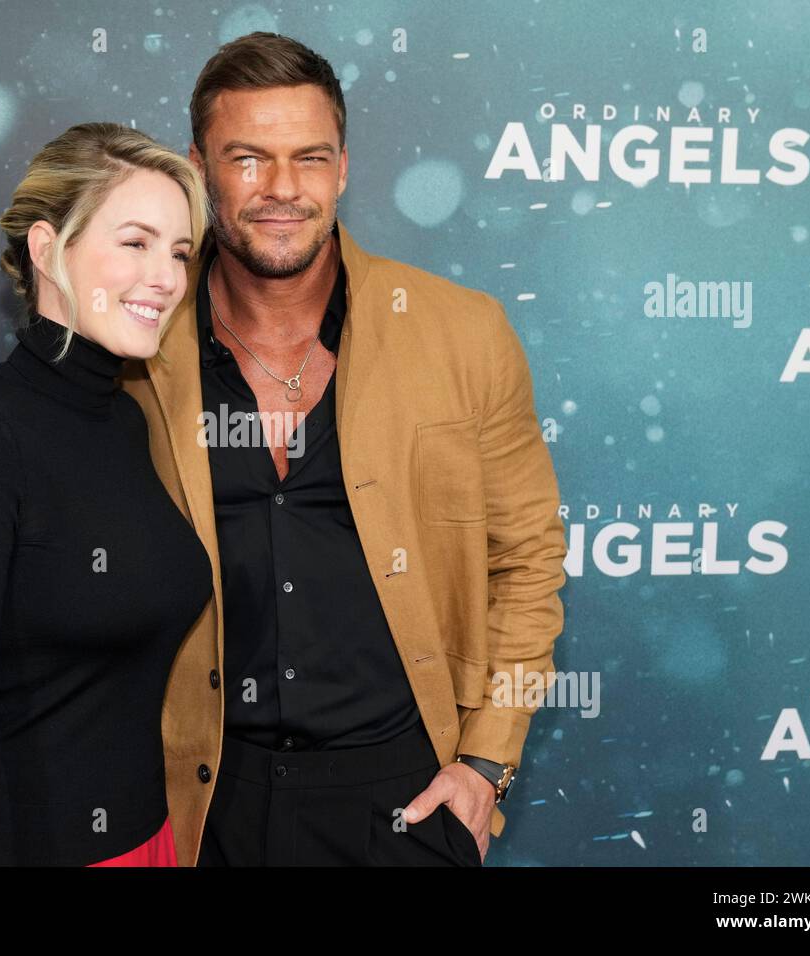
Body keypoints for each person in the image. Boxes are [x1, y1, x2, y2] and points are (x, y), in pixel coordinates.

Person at [119, 33, 568, 866]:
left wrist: (484, 764)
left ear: (344, 168)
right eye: (247, 158)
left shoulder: (462, 333)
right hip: (197, 805)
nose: (283, 189)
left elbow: (529, 561)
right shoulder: (133, 351)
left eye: (310, 158)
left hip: (405, 799)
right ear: (197, 169)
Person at [0, 122, 212, 865]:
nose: (165, 277)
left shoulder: (127, 422)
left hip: (147, 846)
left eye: (179, 251)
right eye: (135, 242)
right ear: (46, 247)